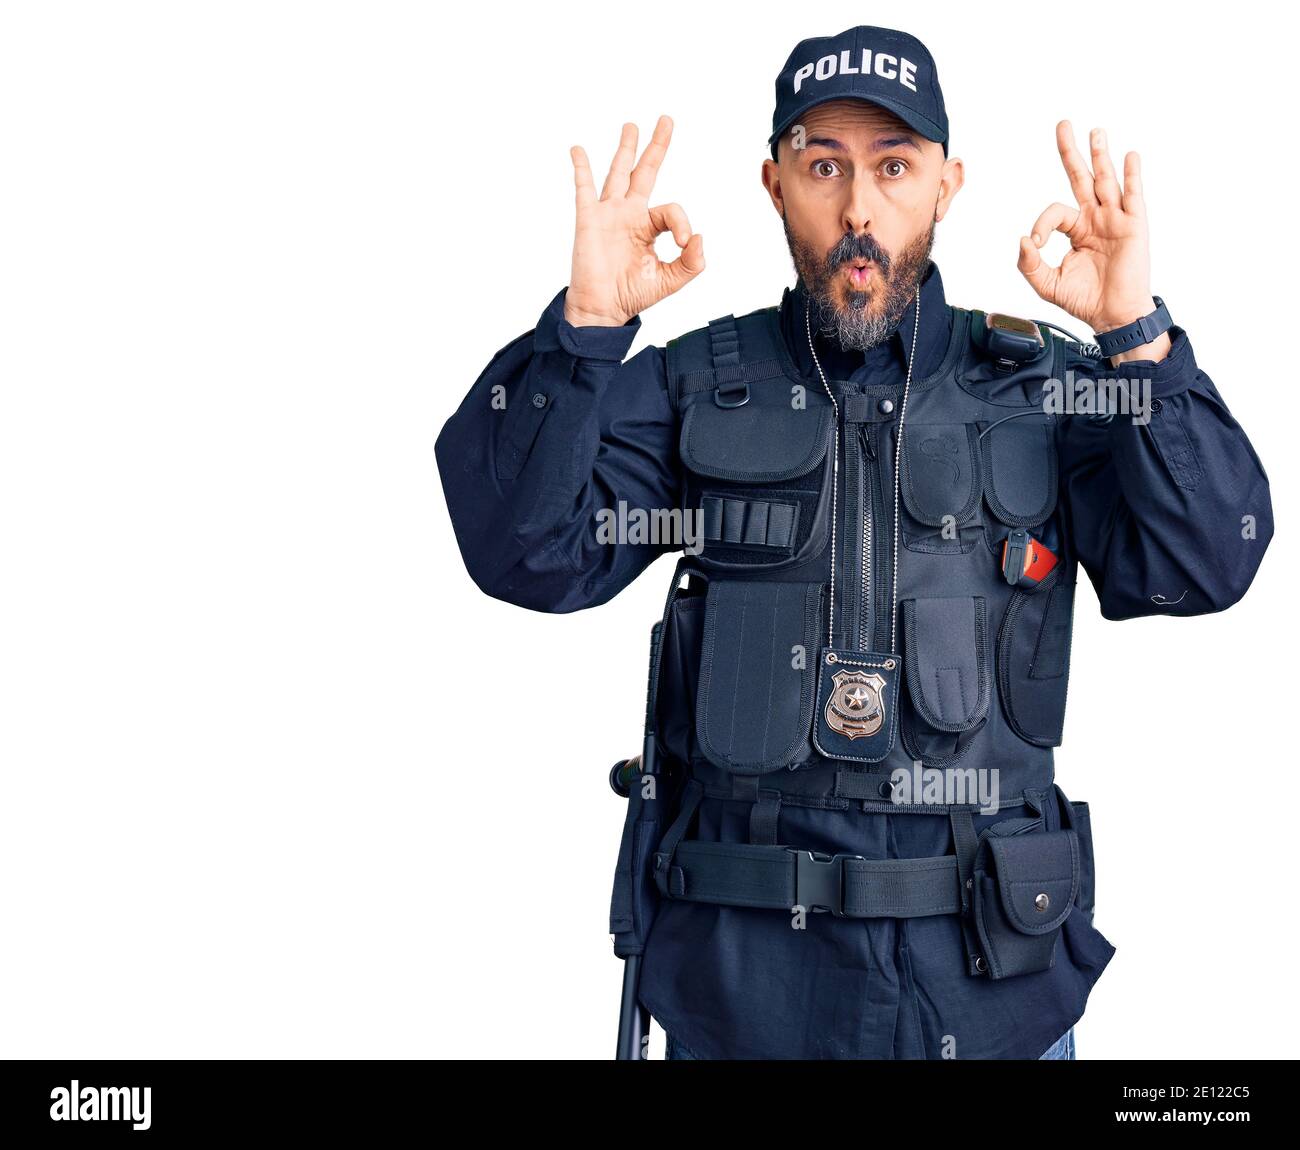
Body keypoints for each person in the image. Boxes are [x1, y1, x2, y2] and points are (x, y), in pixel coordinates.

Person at [435, 25, 1272, 1059]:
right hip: (746, 1002)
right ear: (774, 183)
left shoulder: (1041, 387)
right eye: (823, 165)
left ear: (947, 184)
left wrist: (1137, 341)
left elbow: (1208, 559)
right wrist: (586, 331)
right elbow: (526, 553)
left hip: (989, 1000)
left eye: (893, 166)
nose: (859, 210)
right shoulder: (698, 380)